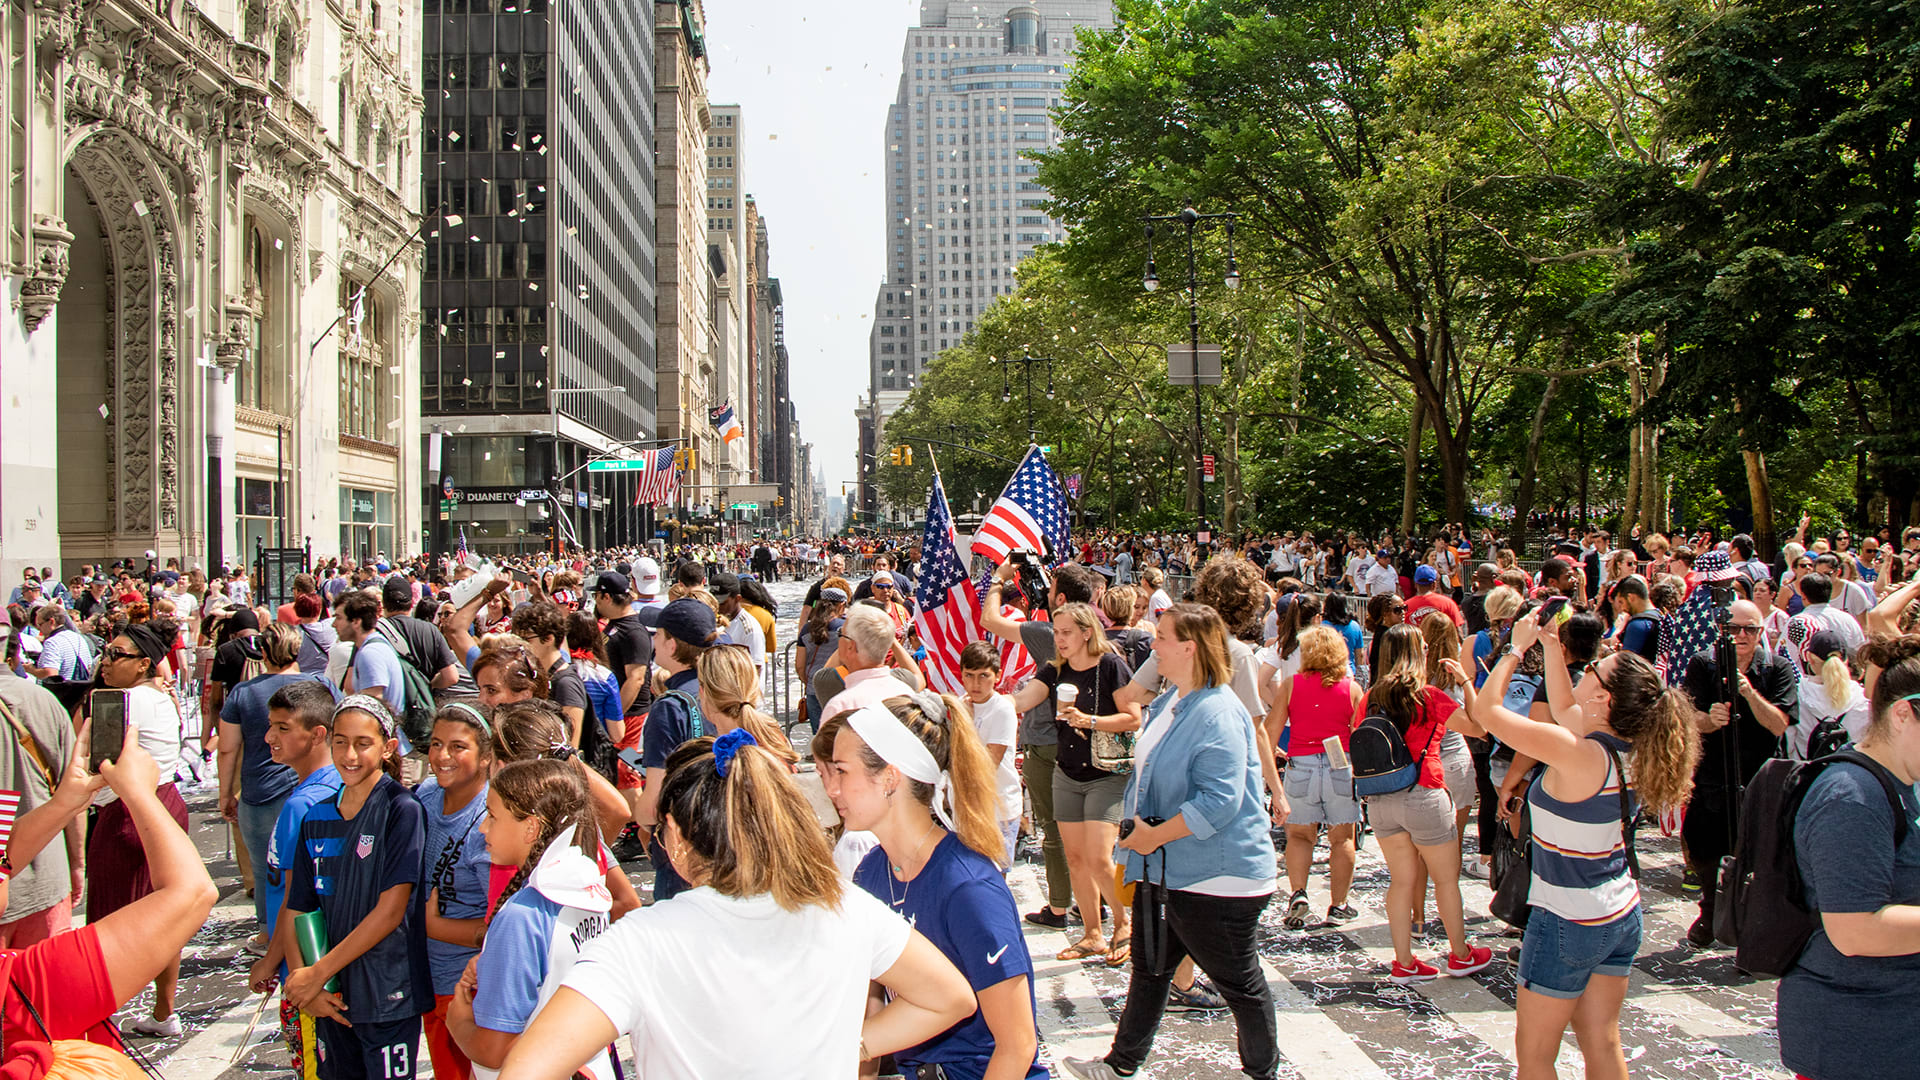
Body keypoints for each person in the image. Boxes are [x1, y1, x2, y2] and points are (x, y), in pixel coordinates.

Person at [493, 731, 977, 1080]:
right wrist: (849, 1043)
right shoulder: (846, 907)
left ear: (679, 839)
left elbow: (526, 1069)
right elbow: (950, 997)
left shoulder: (640, 942)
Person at [1473, 612, 1699, 1079]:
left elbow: (1486, 713)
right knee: (1602, 1040)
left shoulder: (1575, 753)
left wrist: (1515, 650)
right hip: (1618, 911)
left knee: (1535, 1058)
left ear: (1603, 697)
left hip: (1566, 919)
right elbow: (1566, 705)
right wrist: (1553, 646)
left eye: (1594, 669)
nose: (1588, 667)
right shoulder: (1630, 747)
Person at [1061, 604, 1278, 1080]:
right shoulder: (1173, 701)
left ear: (1189, 647)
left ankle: (1263, 1072)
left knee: (1240, 985)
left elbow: (1220, 801)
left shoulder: (1217, 710)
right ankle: (1120, 1065)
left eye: (1160, 637)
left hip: (1216, 875)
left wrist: (1151, 836)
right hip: (1168, 867)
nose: (1151, 645)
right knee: (1152, 968)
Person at [823, 695, 1046, 1079]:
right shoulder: (870, 873)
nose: (832, 788)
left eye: (842, 770)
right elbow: (872, 1009)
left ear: (890, 778)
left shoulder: (968, 887)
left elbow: (1018, 1044)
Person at [0, 708, 217, 1070]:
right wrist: (138, 792)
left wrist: (64, 804)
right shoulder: (26, 990)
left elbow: (7, 855)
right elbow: (193, 892)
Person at [1778, 634, 1920, 1080]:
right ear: (1902, 714)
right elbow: (1855, 930)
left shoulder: (1901, 784)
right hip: (1859, 1039)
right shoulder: (1851, 797)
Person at [277, 695, 431, 1080]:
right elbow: (298, 906)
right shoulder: (316, 816)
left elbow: (391, 910)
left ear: (388, 748)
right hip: (330, 997)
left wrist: (316, 973)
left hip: (387, 994)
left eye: (363, 743)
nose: (350, 754)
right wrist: (306, 984)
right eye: (340, 741)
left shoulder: (402, 810)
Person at [450, 759, 608, 1080]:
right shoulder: (589, 888)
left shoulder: (522, 916)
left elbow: (494, 1051)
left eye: (492, 816)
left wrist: (458, 1021)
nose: (483, 827)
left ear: (531, 828)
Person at [1359, 624, 1492, 984]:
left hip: (1382, 799)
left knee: (1400, 882)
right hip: (1425, 792)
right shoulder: (1428, 695)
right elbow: (1478, 727)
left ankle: (1403, 960)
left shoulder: (1370, 696)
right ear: (1418, 653)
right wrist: (1466, 682)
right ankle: (1461, 954)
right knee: (1446, 880)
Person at [1010, 602, 1140, 964]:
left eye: (1066, 632)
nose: (1059, 639)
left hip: (1106, 773)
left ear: (1087, 632)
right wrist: (990, 701)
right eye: (1056, 632)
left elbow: (1133, 718)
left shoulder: (1111, 666)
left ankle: (1125, 923)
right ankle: (1092, 934)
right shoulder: (1054, 670)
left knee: (1099, 857)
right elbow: (1024, 700)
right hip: (1067, 771)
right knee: (1076, 857)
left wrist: (1089, 720)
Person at [87, 618, 190, 1037]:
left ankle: (100, 1012)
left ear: (143, 663)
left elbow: (97, 763)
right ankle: (164, 1011)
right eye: (106, 652)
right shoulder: (159, 698)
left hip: (127, 811)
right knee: (166, 914)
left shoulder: (125, 700)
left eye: (116, 655)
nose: (105, 661)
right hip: (165, 802)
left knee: (108, 919)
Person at [1680, 597, 1795, 946]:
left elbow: (1779, 724)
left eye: (1750, 629)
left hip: (1758, 776)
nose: (1741, 636)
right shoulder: (1703, 664)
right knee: (1703, 845)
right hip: (1713, 775)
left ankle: (1750, 920)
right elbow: (1689, 718)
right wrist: (1709, 720)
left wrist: (1749, 693)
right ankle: (1710, 908)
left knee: (1758, 851)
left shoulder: (1777, 668)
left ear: (1761, 632)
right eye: (1733, 629)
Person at [248, 680, 344, 1079]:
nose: (270, 737)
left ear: (318, 734)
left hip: (304, 970)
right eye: (271, 726)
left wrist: (271, 963)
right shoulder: (339, 786)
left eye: (283, 728)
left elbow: (295, 897)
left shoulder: (304, 804)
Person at [219, 623, 338, 943]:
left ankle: (268, 933)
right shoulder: (322, 685)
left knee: (266, 871)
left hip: (260, 793)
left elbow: (227, 747)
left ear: (262, 651)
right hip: (318, 788)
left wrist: (225, 793)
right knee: (319, 869)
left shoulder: (243, 692)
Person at [418, 704, 496, 1080]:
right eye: (436, 744)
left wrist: (434, 927)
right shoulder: (425, 798)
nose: (442, 756)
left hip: (469, 991)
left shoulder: (490, 821)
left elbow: (500, 926)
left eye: (458, 747)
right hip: (425, 980)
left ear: (486, 757)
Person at [1269, 626, 1362, 928]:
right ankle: (1339, 905)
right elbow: (1360, 735)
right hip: (1340, 764)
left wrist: (1272, 762)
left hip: (1301, 764)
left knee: (1299, 836)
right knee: (1342, 838)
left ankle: (1298, 893)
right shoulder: (1351, 688)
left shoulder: (1291, 685)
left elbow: (1271, 731)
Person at [0, 624, 82, 949]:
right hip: (44, 879)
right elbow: (73, 796)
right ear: (15, 654)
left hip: (31, 884)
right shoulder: (43, 701)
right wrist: (78, 864)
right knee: (41, 997)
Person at [632, 598, 717, 900]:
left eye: (657, 633)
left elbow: (653, 802)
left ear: (671, 645)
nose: (652, 639)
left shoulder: (670, 706)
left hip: (682, 848)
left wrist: (640, 816)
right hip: (720, 836)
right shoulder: (718, 687)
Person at [959, 641, 1024, 868]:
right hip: (967, 808)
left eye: (983, 676)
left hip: (999, 808)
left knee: (995, 878)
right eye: (969, 675)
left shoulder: (1002, 709)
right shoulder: (961, 705)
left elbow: (987, 764)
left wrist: (966, 723)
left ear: (996, 676)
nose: (976, 684)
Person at [1788, 629, 1868, 760]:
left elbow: (1789, 744)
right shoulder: (1863, 696)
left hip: (1810, 773)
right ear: (1846, 659)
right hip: (1853, 771)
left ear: (1809, 657)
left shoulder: (1797, 695)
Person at [708, 573, 766, 672]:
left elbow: (756, 668)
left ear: (737, 598)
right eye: (715, 602)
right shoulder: (712, 620)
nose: (718, 607)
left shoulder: (749, 628)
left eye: (722, 603)